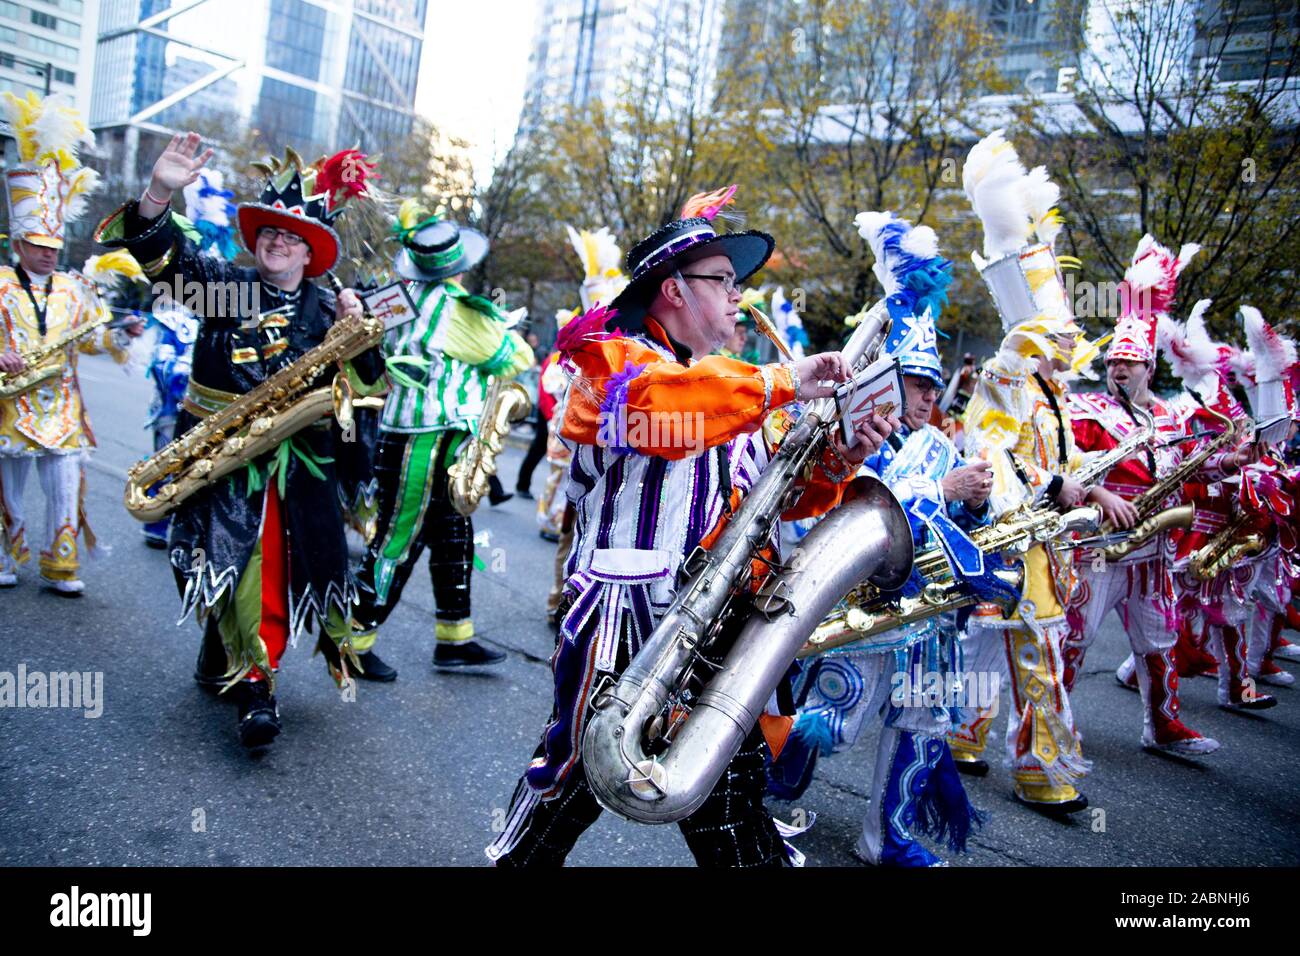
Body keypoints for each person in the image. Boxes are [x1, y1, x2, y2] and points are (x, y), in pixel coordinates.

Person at [486, 185, 896, 867]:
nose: (740, 295)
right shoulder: (608, 363)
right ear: (673, 290)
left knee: (727, 803)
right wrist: (779, 381)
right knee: (575, 782)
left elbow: (779, 498)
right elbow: (661, 415)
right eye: (724, 280)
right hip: (623, 625)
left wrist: (837, 457)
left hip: (712, 628)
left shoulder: (729, 388)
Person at [95, 134, 389, 747]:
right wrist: (159, 192)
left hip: (297, 467)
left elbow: (367, 390)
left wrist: (360, 338)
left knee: (274, 567)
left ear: (311, 254)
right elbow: (167, 267)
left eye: (289, 237)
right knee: (223, 562)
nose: (275, 242)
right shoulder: (230, 290)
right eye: (267, 234)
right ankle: (222, 646)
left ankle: (257, 685)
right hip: (221, 455)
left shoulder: (330, 309)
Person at [770, 212, 993, 866]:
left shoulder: (944, 443)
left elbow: (964, 530)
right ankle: (760, 808)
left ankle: (888, 839)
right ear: (890, 380)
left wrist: (977, 503)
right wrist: (942, 492)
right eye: (915, 383)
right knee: (826, 724)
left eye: (932, 385)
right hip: (863, 616)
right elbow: (855, 518)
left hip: (930, 624)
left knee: (921, 731)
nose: (925, 397)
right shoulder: (854, 442)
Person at [948, 132, 1110, 815]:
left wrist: (1088, 486)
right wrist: (1051, 490)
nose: (1074, 338)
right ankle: (1037, 768)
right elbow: (987, 452)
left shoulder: (1053, 395)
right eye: (1062, 329)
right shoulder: (1006, 378)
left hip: (1043, 539)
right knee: (1027, 643)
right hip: (1012, 537)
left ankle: (963, 734)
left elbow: (1061, 463)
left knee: (1007, 642)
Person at [352, 199, 533, 669]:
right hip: (428, 440)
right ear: (458, 266)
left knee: (453, 532)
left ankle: (454, 638)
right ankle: (352, 640)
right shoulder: (458, 310)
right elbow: (514, 358)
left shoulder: (395, 298)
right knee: (397, 538)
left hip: (405, 430)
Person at [1062, 236, 1221, 756]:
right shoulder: (1087, 411)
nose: (1118, 371)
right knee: (1075, 640)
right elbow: (1063, 463)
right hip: (1100, 548)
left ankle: (1163, 726)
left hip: (1154, 550)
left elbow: (1193, 466)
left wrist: (1228, 461)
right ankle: (1053, 730)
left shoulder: (1174, 418)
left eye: (1128, 364)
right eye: (1112, 364)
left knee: (1159, 640)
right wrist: (1100, 491)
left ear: (1151, 368)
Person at [0, 92, 143, 594]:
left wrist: (119, 335)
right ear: (18, 244)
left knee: (64, 485)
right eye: (37, 246)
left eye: (53, 247)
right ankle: (5, 555)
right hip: (10, 404)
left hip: (60, 403)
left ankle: (61, 564)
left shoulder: (73, 288)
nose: (45, 254)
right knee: (8, 489)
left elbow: (91, 340)